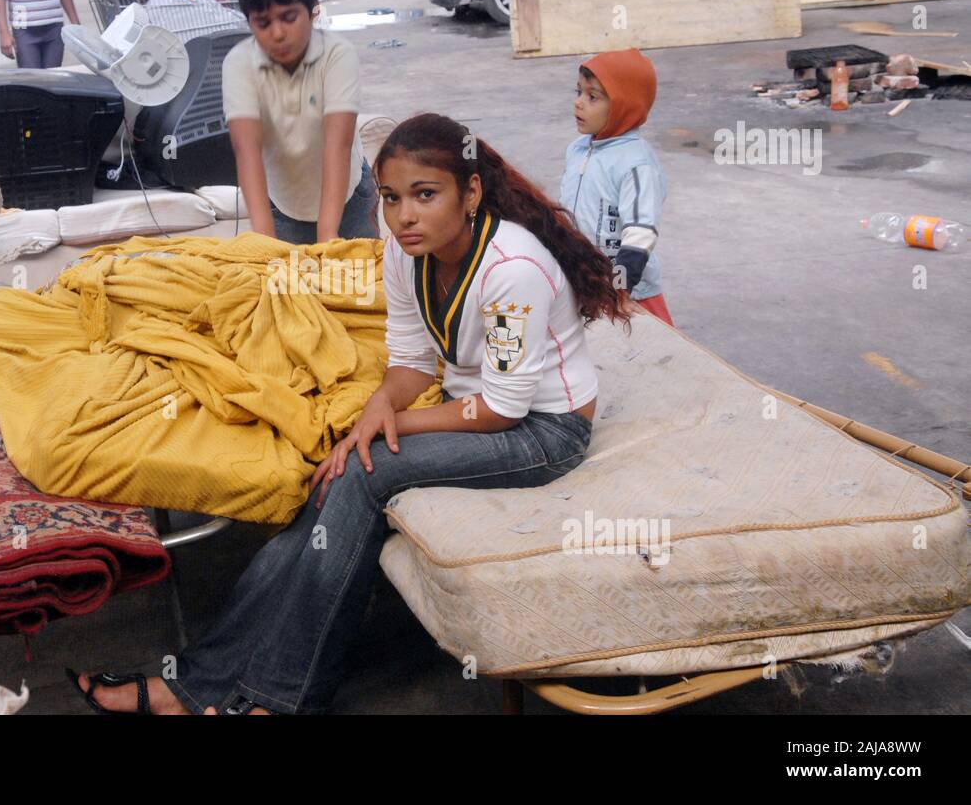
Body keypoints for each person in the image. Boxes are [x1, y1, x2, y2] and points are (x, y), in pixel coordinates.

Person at [67, 112, 630, 715]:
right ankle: (195, 686)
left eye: (425, 195)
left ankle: (271, 698)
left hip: (543, 431)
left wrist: (386, 428)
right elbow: (412, 363)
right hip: (470, 409)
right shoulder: (406, 253)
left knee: (360, 471)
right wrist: (378, 410)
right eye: (390, 197)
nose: (404, 215)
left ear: (471, 193)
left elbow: (500, 408)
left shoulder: (511, 270)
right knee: (333, 479)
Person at [219, 0, 377, 245]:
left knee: (358, 284)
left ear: (312, 10)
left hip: (349, 199)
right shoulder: (238, 64)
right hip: (284, 206)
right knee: (288, 284)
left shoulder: (337, 55)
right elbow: (247, 151)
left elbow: (338, 146)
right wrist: (265, 242)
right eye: (263, 23)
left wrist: (328, 235)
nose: (277, 33)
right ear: (249, 23)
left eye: (288, 17)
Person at [560, 48, 674, 325]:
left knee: (655, 359)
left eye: (592, 97)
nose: (579, 103)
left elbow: (640, 233)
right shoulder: (577, 150)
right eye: (578, 92)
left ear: (624, 105)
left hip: (631, 292)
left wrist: (620, 288)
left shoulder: (636, 164)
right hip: (584, 282)